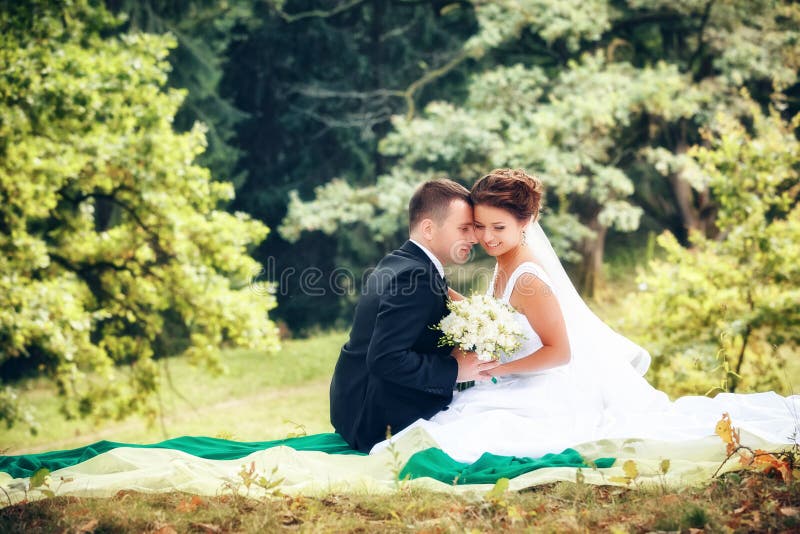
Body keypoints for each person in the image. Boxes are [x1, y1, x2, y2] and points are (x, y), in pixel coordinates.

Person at [372, 168, 800, 463]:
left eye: (498, 228)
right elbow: (498, 316)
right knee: (457, 422)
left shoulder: (528, 277)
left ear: (527, 222)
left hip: (543, 383)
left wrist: (496, 368)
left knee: (476, 433)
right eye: (480, 226)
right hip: (512, 377)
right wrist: (442, 292)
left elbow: (559, 353)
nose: (486, 238)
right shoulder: (502, 263)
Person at [330, 179, 499, 452]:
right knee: (495, 417)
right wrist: (456, 369)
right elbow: (385, 358)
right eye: (464, 229)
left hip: (353, 408)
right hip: (376, 422)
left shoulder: (400, 262)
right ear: (429, 229)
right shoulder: (416, 276)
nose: (474, 238)